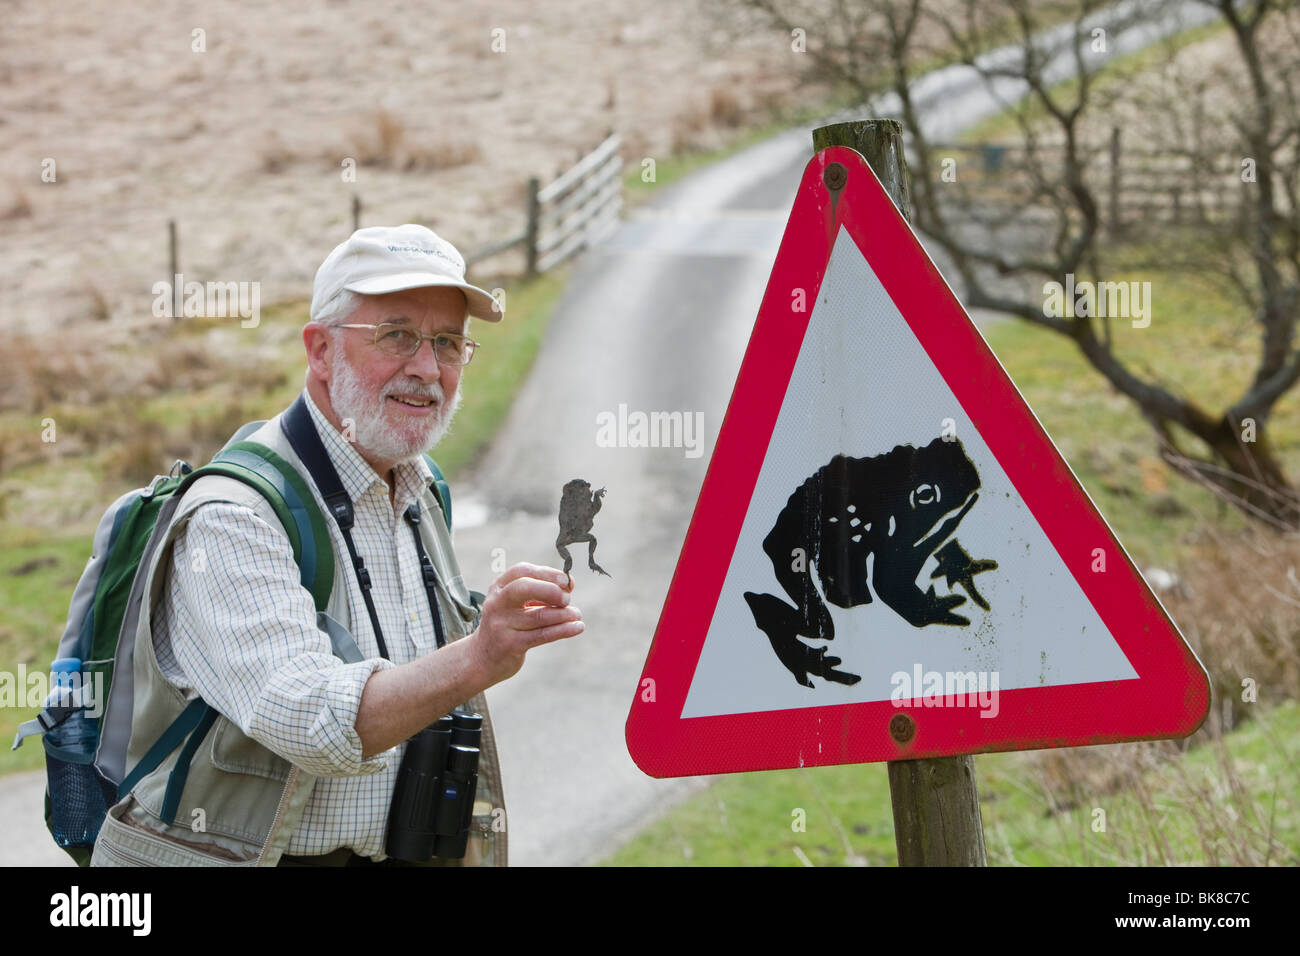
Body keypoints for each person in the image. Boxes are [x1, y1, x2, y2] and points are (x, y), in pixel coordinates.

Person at [90, 224, 583, 867]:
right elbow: (310, 722)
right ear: (320, 350)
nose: (427, 369)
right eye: (397, 335)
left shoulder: (420, 488)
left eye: (448, 343)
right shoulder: (233, 517)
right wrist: (477, 657)